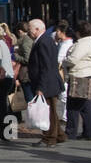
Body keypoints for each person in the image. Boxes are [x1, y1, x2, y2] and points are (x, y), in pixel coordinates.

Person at [27, 18, 65, 147]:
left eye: (30, 30)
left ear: (37, 29)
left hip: (47, 83)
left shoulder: (43, 42)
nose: (29, 33)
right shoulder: (46, 40)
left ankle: (49, 138)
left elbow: (46, 66)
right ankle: (59, 135)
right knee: (52, 111)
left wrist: (41, 87)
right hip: (49, 82)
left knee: (47, 112)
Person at [63, 20, 91, 141]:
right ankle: (89, 131)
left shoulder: (82, 44)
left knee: (73, 105)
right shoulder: (90, 42)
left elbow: (73, 59)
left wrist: (63, 61)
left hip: (80, 76)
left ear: (78, 32)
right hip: (89, 74)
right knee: (86, 105)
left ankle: (70, 131)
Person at [54, 22, 74, 127]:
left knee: (63, 94)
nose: (56, 33)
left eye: (57, 31)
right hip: (62, 72)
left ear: (63, 32)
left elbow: (59, 59)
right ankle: (64, 116)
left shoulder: (66, 44)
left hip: (63, 72)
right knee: (62, 95)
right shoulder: (62, 43)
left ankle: (65, 117)